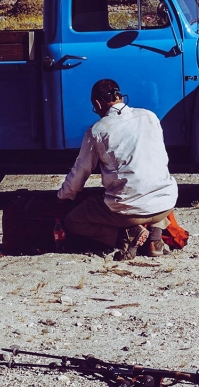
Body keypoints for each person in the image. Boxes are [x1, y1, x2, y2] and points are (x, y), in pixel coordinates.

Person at [58, 79, 178, 260]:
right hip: (165, 203)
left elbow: (80, 172)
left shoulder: (98, 130)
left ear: (98, 104)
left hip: (127, 211)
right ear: (120, 97)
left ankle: (125, 235)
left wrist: (63, 196)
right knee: (150, 185)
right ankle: (155, 238)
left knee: (73, 220)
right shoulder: (149, 116)